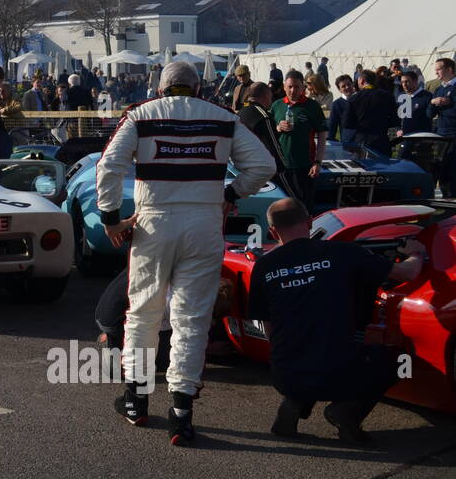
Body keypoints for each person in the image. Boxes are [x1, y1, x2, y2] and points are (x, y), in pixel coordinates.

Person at [96, 61, 275, 445]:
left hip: (154, 224)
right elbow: (263, 165)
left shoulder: (142, 115)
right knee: (191, 319)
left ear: (163, 89)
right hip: (204, 224)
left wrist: (111, 217)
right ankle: (182, 412)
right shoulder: (222, 117)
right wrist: (230, 194)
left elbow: (109, 165)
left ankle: (136, 401)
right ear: (197, 89)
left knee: (143, 313)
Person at [248, 198, 422, 442]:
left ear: (272, 231)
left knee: (304, 356)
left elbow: (267, 326)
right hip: (337, 372)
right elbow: (408, 272)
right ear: (309, 223)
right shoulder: (343, 252)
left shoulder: (263, 266)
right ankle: (346, 411)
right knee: (400, 360)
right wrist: (415, 252)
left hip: (283, 374)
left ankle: (295, 401)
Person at [271, 71, 327, 215]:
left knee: (303, 208)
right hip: (280, 167)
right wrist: (278, 127)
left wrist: (318, 162)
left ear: (303, 87)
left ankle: (306, 235)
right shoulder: (277, 105)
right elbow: (268, 132)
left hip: (304, 166)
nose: (293, 90)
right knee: (281, 209)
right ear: (284, 86)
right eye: (290, 87)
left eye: (296, 87)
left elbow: (322, 134)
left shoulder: (312, 106)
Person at [344, 69, 399, 156]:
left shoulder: (354, 98)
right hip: (381, 141)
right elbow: (395, 120)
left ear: (361, 80)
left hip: (361, 143)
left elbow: (347, 123)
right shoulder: (387, 96)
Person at [427, 58, 456, 195]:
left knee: (452, 168)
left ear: (449, 69)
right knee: (441, 167)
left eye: (439, 69)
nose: (436, 72)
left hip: (453, 133)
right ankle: (446, 199)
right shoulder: (438, 89)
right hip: (440, 134)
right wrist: (434, 103)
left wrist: (447, 103)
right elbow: (429, 113)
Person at [326, 75, 356, 143]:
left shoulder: (361, 100)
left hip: (364, 143)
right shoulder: (336, 104)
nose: (347, 87)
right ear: (339, 90)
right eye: (343, 86)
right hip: (347, 143)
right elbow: (332, 127)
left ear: (352, 84)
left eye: (349, 84)